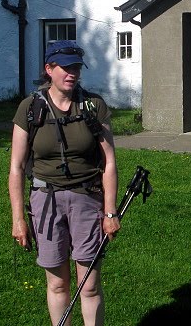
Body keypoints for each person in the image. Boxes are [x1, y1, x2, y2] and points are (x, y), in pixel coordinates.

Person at [9, 40, 120, 326]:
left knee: (90, 285)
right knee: (58, 284)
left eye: (76, 67)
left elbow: (108, 162)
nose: (72, 73)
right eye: (65, 67)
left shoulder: (94, 106)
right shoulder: (30, 108)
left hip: (87, 199)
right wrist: (18, 219)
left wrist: (110, 213)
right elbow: (17, 167)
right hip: (46, 202)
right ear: (49, 69)